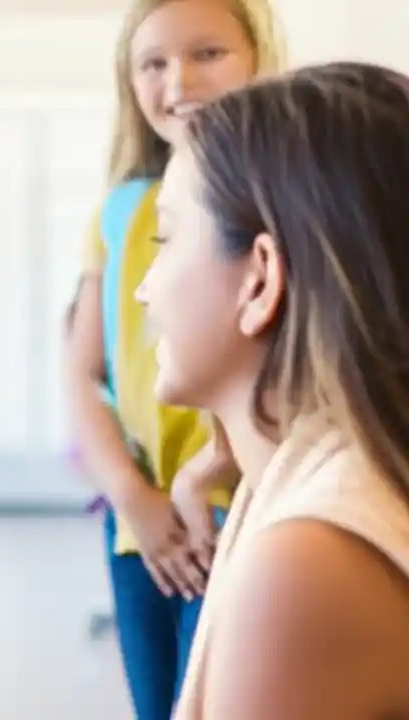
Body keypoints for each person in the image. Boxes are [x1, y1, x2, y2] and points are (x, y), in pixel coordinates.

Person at [139, 61, 409, 719]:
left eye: (167, 238)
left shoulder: (310, 560)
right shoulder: (307, 487)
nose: (145, 287)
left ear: (260, 279)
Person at [62, 1, 283, 717]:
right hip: (141, 518)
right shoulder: (120, 210)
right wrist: (134, 498)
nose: (178, 79)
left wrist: (212, 478)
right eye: (152, 63)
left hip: (247, 503)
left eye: (207, 54)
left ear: (258, 57)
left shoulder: (292, 195)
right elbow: (79, 371)